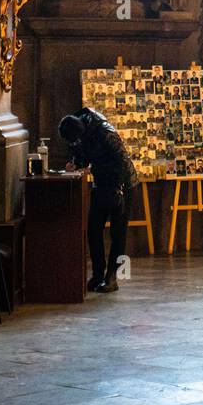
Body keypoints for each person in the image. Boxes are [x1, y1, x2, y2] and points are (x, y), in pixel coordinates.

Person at [58, 108, 139, 293]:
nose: (74, 143)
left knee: (118, 233)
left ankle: (112, 277)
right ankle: (98, 275)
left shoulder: (105, 132)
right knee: (93, 230)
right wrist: (76, 163)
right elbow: (82, 154)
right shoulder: (78, 128)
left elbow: (121, 161)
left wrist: (118, 189)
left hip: (123, 185)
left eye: (74, 140)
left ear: (80, 133)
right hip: (102, 183)